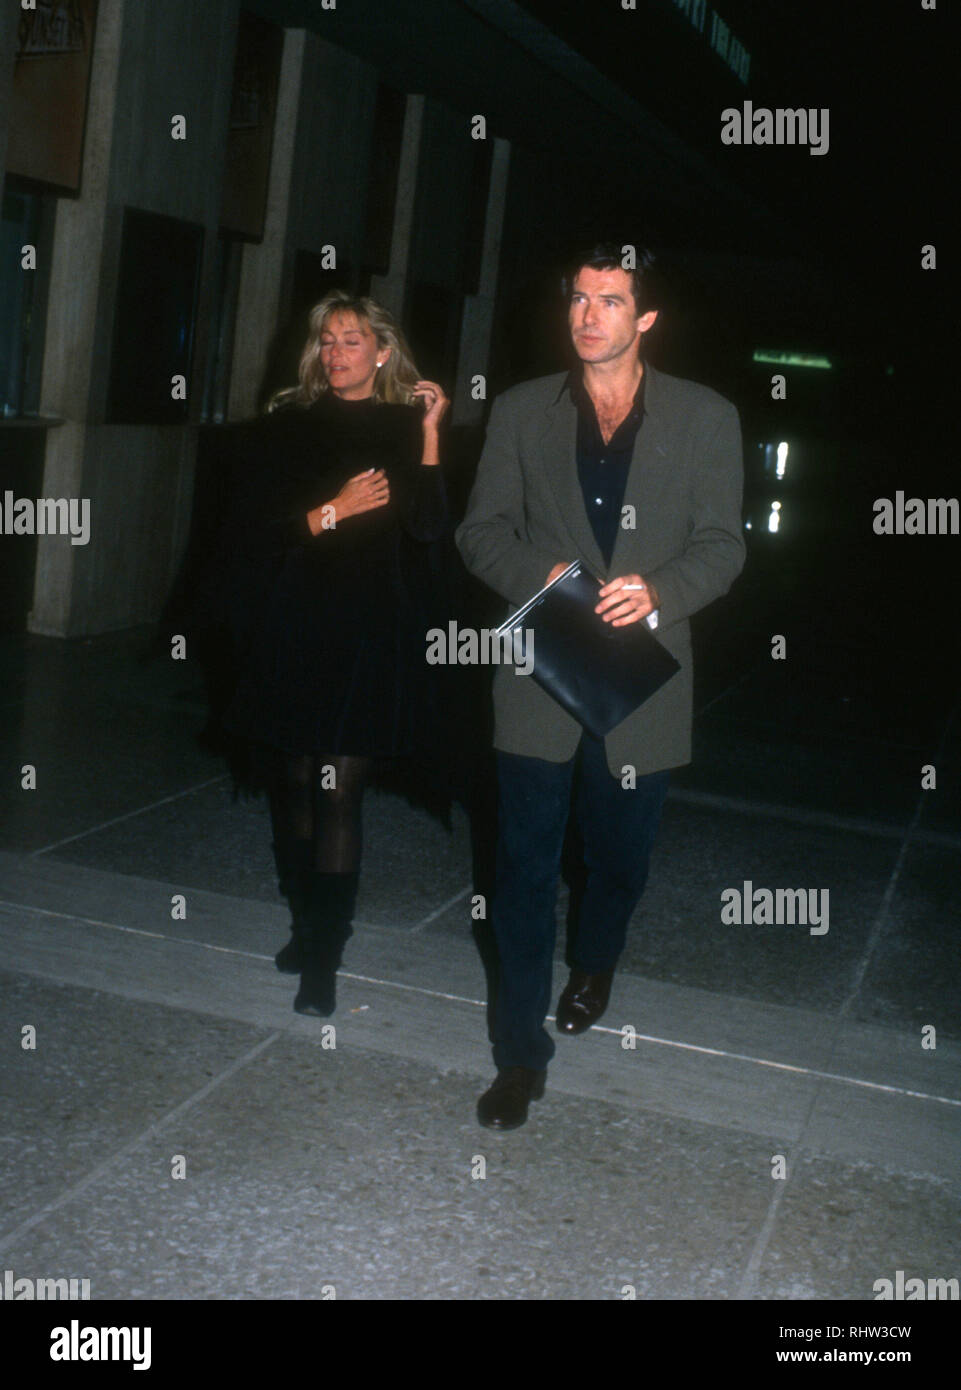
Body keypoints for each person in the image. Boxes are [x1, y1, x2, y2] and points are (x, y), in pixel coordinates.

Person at [456, 242, 745, 1129]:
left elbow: (723, 544)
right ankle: (519, 1057)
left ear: (645, 317)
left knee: (617, 859)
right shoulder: (519, 410)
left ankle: (597, 957)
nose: (587, 316)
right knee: (520, 866)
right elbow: (477, 533)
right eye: (577, 299)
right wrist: (539, 574)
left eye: (609, 301)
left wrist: (660, 591)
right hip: (539, 671)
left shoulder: (704, 416)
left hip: (643, 679)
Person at [214, 290, 449, 1017]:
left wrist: (433, 430)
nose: (337, 353)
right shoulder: (291, 425)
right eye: (328, 341)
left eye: (352, 341)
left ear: (382, 352)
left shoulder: (403, 425)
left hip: (368, 630)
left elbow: (430, 528)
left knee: (336, 787)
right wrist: (332, 511)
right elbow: (254, 533)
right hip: (295, 621)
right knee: (293, 787)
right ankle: (304, 922)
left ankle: (325, 958)